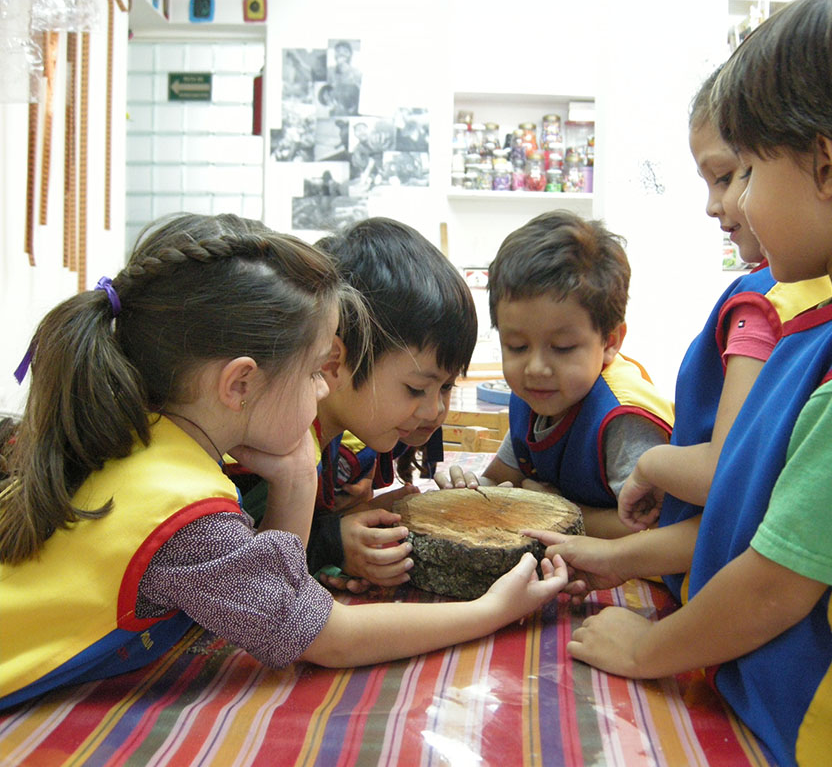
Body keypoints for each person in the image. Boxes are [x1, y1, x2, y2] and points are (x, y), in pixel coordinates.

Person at [529, 0, 832, 764]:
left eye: (749, 170)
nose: (737, 202)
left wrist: (648, 649)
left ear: (825, 167)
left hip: (822, 740)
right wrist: (614, 557)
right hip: (766, 705)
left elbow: (777, 584)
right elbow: (759, 519)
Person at [0, 213, 566, 712]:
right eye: (317, 371)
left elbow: (283, 592)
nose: (324, 390)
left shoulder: (145, 441)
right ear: (241, 383)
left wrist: (296, 474)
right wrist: (490, 612)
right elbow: (327, 636)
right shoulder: (189, 518)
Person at [615, 66, 832, 601]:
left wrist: (650, 464)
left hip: (720, 591)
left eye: (731, 176)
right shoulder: (824, 293)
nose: (714, 204)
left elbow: (724, 472)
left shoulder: (763, 301)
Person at [436, 210, 675, 539]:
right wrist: (467, 489)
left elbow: (658, 531)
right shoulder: (533, 400)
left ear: (610, 341)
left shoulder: (623, 421)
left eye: (562, 348)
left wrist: (559, 511)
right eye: (517, 346)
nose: (535, 368)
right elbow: (503, 480)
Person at [308, 217, 479, 591]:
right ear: (334, 361)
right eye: (416, 389)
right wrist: (329, 542)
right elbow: (234, 562)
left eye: (447, 387)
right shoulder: (268, 443)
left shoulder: (347, 439)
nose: (435, 410)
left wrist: (354, 522)